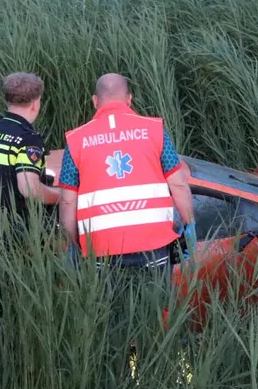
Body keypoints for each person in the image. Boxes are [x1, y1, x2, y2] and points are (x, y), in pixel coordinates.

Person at [57, 73, 196, 282]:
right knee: (156, 310)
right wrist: (190, 225)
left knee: (108, 312)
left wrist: (70, 244)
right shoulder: (154, 130)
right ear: (129, 99)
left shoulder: (76, 140)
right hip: (153, 244)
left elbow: (68, 199)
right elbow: (178, 184)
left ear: (95, 101)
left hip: (101, 248)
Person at [0, 72, 61, 243]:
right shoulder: (28, 139)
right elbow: (29, 189)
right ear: (35, 104)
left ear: (8, 100)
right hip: (22, 232)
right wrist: (60, 197)